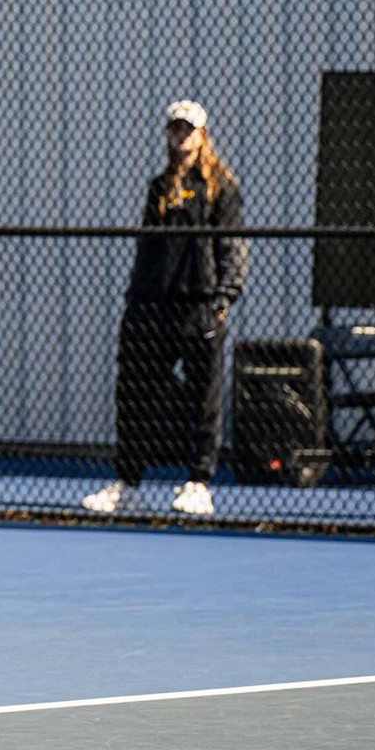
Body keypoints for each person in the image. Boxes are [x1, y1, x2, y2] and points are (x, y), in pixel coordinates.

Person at [83, 101, 249, 518]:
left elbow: (234, 248)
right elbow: (147, 250)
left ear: (203, 134)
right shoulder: (159, 187)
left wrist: (223, 298)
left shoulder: (221, 188)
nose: (182, 136)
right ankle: (128, 481)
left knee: (203, 398)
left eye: (189, 129)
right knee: (135, 393)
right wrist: (137, 299)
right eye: (175, 128)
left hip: (199, 310)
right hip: (150, 310)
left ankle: (198, 483)